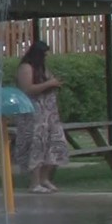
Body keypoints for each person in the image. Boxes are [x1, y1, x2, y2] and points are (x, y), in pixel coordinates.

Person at [13, 40, 69, 194]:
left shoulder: (42, 67)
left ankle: (45, 178)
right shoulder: (26, 67)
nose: (46, 57)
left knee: (55, 144)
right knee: (37, 145)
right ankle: (34, 182)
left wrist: (54, 83)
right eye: (44, 54)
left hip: (49, 113)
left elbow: (48, 81)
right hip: (34, 114)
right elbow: (28, 89)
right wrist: (49, 84)